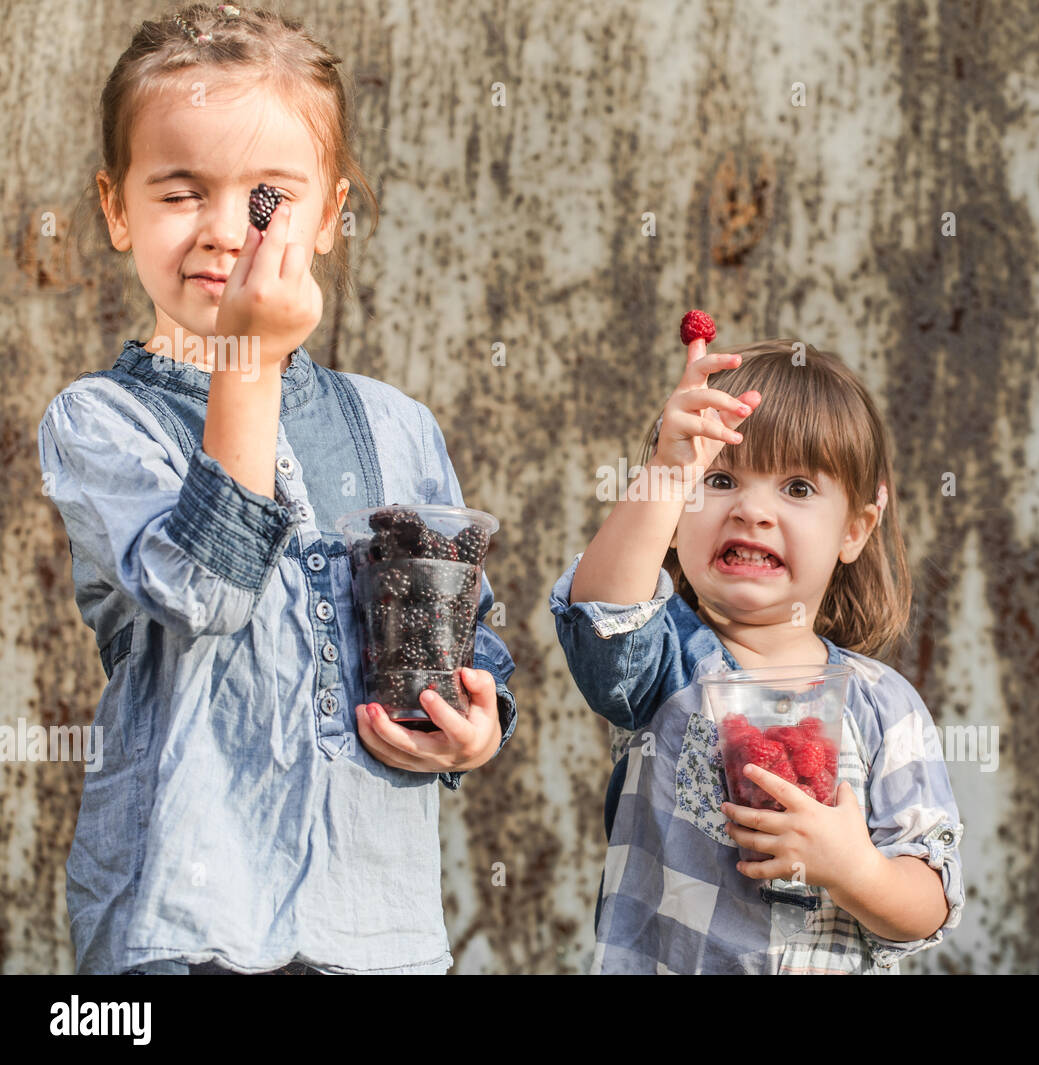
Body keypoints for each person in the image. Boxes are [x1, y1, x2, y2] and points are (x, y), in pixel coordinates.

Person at [37, 4, 516, 975]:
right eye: (182, 193)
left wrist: (476, 722)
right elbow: (202, 594)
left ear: (330, 216)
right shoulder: (97, 423)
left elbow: (463, 636)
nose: (226, 231)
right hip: (181, 919)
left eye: (268, 198)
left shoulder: (397, 427)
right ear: (117, 207)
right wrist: (247, 359)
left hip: (369, 923)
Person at [550, 334, 965, 974]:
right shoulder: (667, 662)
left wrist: (855, 869)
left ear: (855, 528)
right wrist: (666, 471)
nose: (752, 510)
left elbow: (931, 898)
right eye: (719, 479)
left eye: (797, 488)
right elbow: (604, 614)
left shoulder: (883, 704)